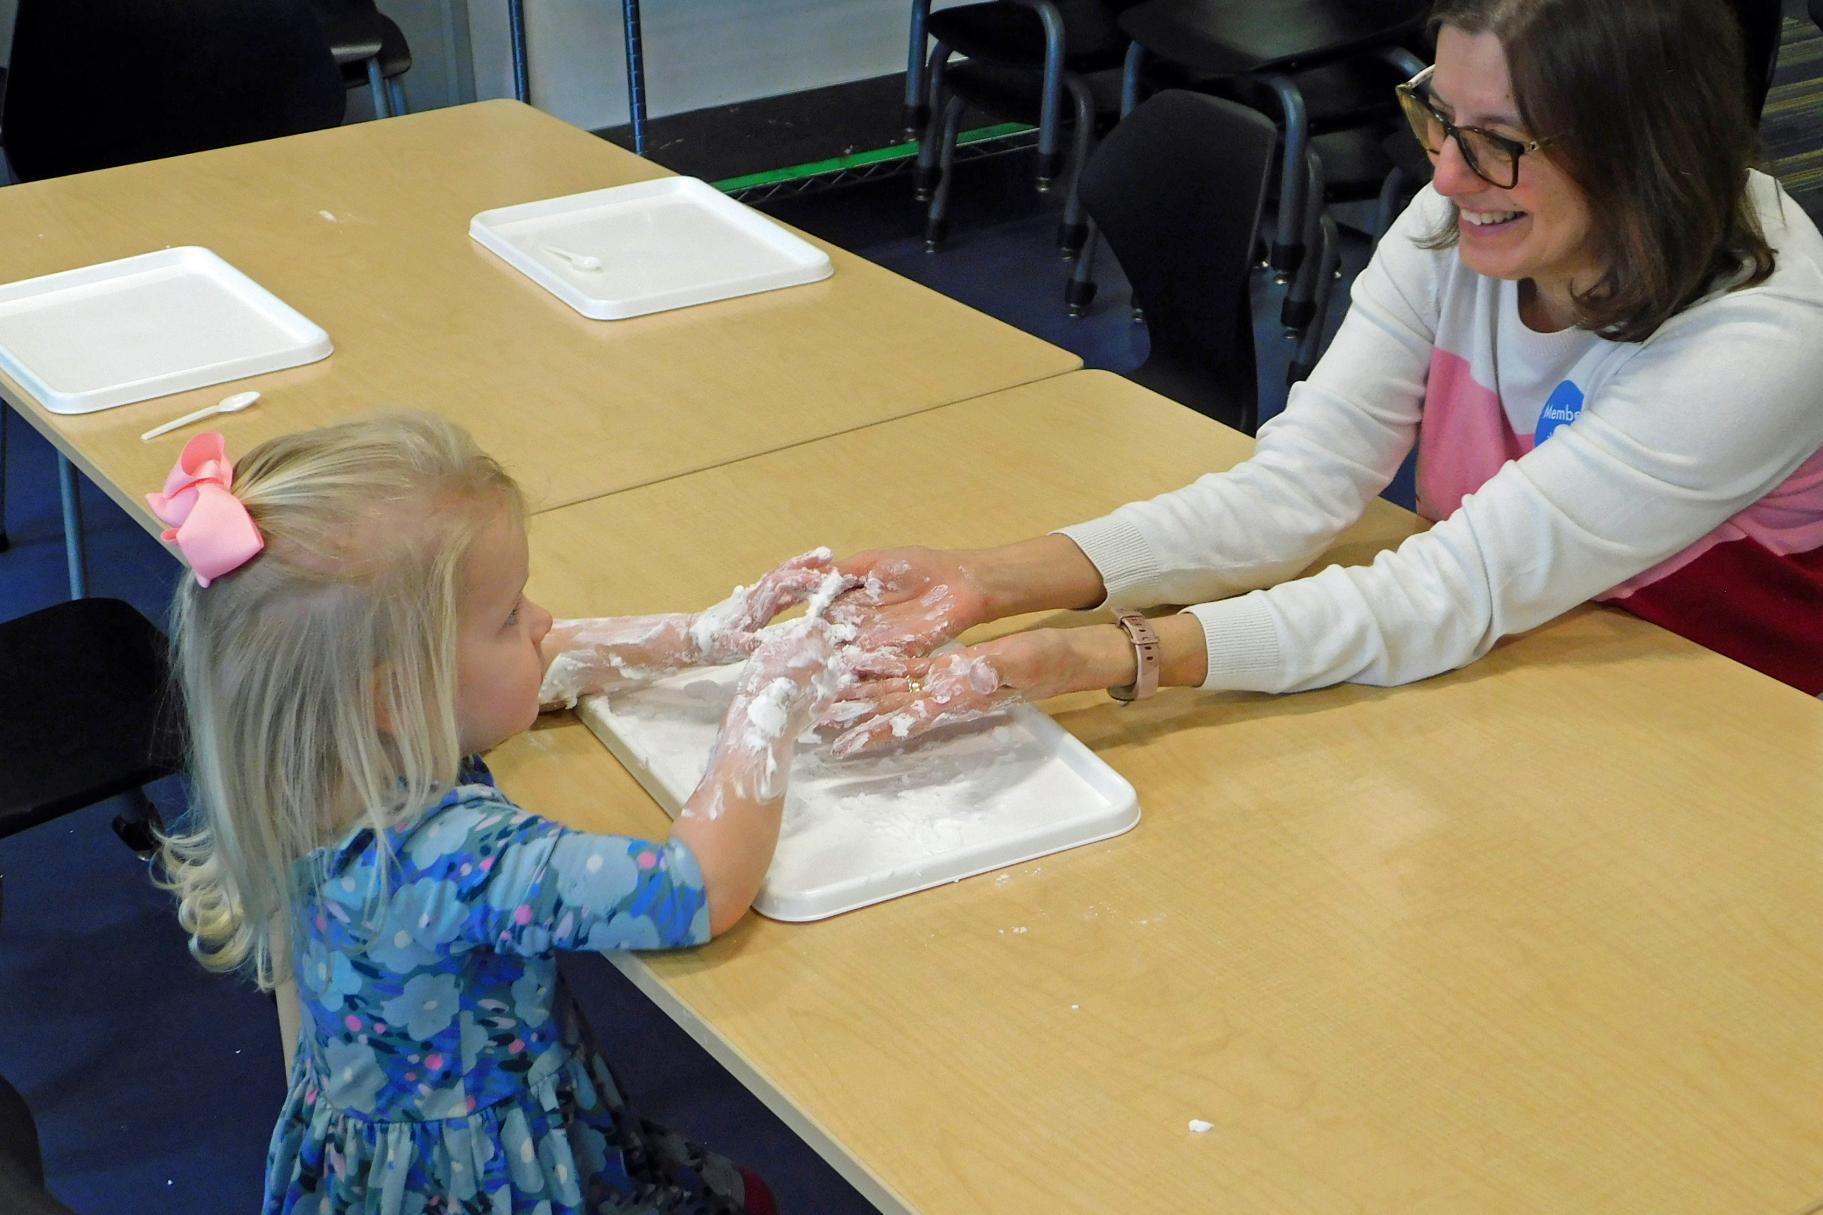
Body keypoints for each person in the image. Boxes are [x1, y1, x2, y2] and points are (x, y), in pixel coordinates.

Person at [820, 0, 1823, 753]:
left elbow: (1453, 585)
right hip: (1525, 673)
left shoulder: (1759, 338)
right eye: (1435, 113)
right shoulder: (1464, 223)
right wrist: (992, 579)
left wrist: (1111, 654)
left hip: (1727, 732)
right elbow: (1296, 487)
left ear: (1646, 153)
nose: (1442, 176)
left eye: (1497, 145)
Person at [151, 413, 850, 1214]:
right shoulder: (461, 856)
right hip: (489, 1183)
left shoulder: (304, 761)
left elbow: (540, 664)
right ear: (396, 696)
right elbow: (698, 887)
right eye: (511, 613)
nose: (545, 621)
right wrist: (768, 702)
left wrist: (698, 637)